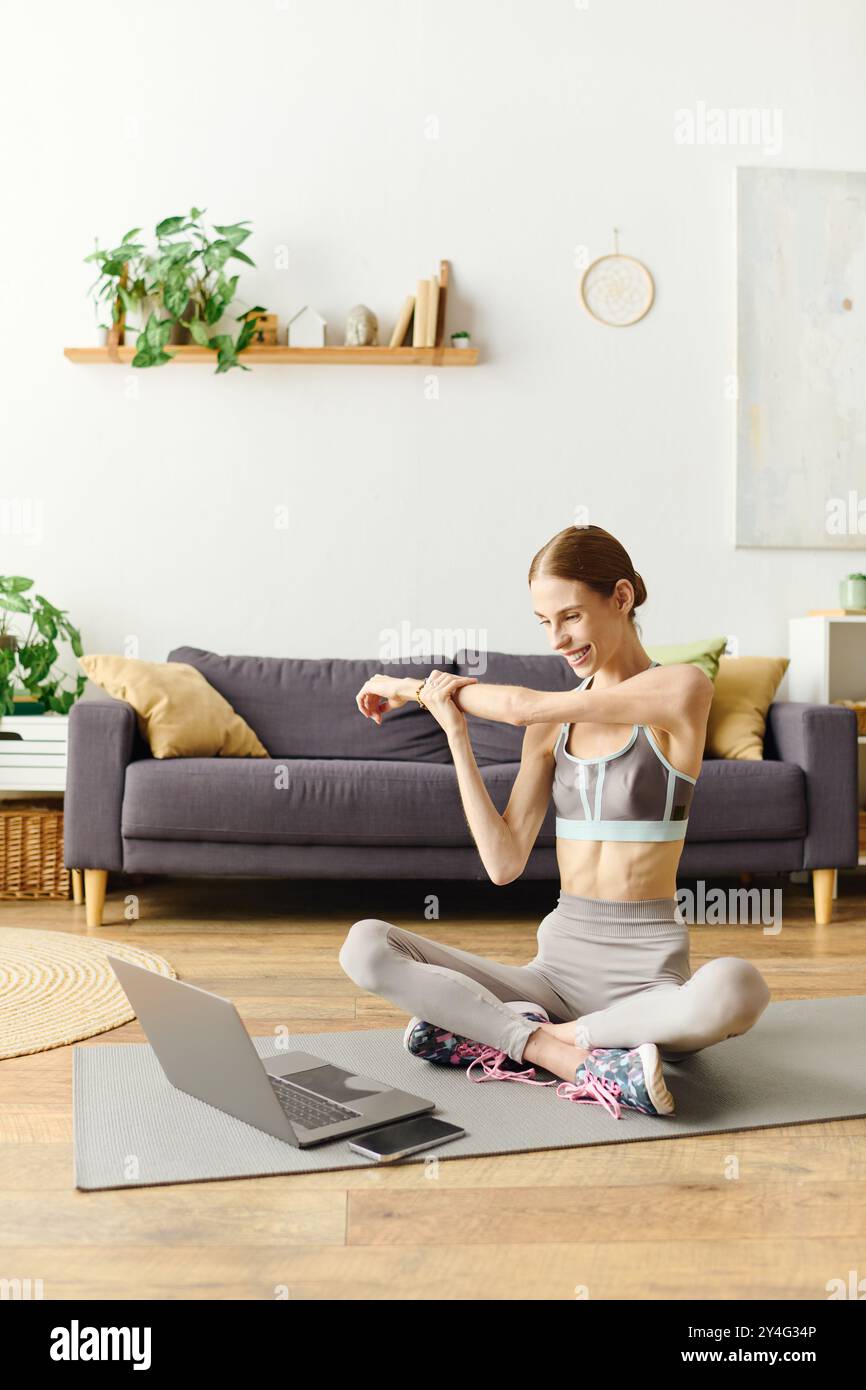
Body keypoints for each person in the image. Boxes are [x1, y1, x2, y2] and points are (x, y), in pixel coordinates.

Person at [339, 524, 771, 1118]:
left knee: (739, 987)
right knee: (365, 946)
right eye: (544, 622)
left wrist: (407, 687)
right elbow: (503, 862)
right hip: (553, 976)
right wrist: (454, 734)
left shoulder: (681, 690)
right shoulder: (552, 729)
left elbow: (523, 707)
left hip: (648, 987)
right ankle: (560, 1051)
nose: (556, 640)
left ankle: (507, 1034)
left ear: (620, 598)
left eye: (569, 617)